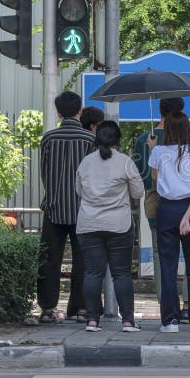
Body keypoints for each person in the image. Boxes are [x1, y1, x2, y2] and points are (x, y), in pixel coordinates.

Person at [75, 121, 145, 332]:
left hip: (89, 224)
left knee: (93, 273)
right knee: (121, 273)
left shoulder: (85, 162)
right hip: (119, 225)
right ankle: (128, 321)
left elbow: (79, 191)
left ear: (97, 139)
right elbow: (138, 192)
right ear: (118, 139)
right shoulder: (125, 162)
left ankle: (92, 320)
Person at [148, 111, 190, 333]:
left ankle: (170, 320)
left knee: (168, 265)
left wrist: (152, 147)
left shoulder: (159, 152)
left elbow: (155, 179)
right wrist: (187, 217)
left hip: (166, 209)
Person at [37, 91, 94, 324]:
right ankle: (80, 309)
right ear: (80, 111)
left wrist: (53, 195)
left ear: (58, 111)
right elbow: (92, 175)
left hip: (54, 208)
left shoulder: (49, 139)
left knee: (50, 259)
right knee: (83, 260)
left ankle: (48, 308)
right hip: (83, 209)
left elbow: (44, 173)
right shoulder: (90, 140)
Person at [134, 98, 190, 319]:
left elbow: (141, 172)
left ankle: (165, 302)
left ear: (160, 111)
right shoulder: (185, 137)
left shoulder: (143, 139)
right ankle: (188, 303)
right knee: (188, 251)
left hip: (154, 198)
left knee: (159, 253)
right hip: (185, 199)